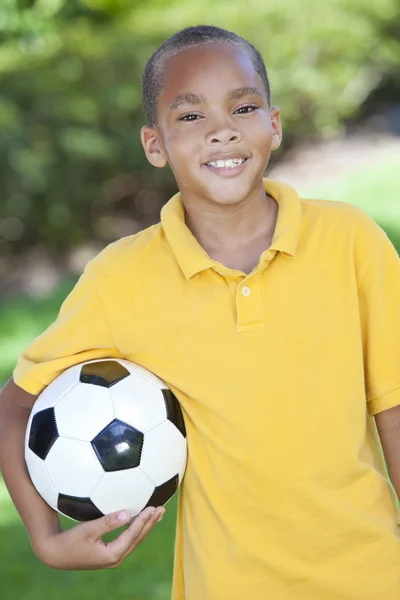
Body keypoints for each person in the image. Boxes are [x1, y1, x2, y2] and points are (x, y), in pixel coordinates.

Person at [0, 24, 400, 600]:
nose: (221, 131)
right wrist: (45, 538)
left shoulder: (350, 240)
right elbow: (16, 402)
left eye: (243, 107)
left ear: (274, 125)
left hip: (374, 578)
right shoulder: (121, 279)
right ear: (154, 144)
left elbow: (394, 407)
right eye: (190, 117)